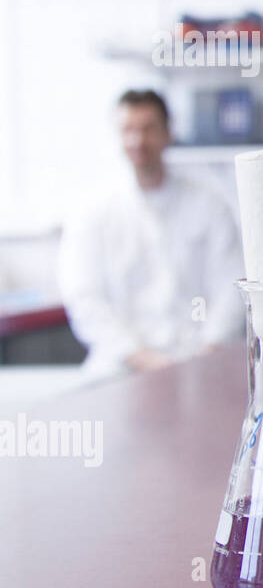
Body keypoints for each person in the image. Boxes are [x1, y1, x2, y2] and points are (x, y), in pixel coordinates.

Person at [58, 90, 244, 379]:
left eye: (148, 129)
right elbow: (85, 299)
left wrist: (208, 349)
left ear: (168, 133)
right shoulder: (92, 212)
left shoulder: (209, 204)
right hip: (120, 368)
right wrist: (142, 359)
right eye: (128, 130)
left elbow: (232, 287)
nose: (138, 141)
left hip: (197, 363)